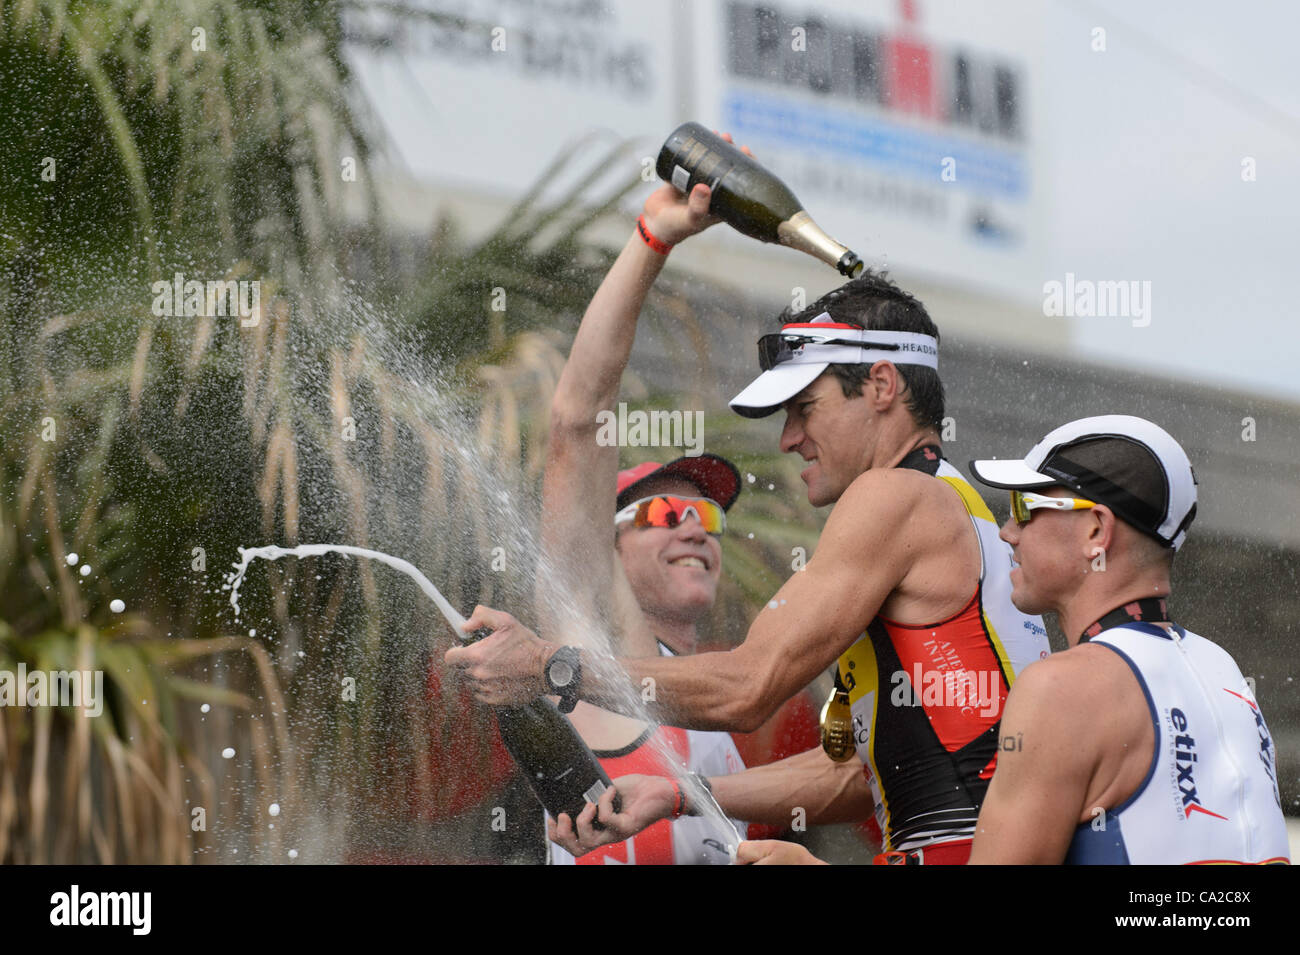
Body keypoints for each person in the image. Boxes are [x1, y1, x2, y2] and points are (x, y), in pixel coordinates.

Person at [449, 263, 1051, 864]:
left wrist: (544, 665)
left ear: (882, 386)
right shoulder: (963, 504)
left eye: (805, 408)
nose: (788, 439)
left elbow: (746, 688)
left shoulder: (892, 495)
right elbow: (857, 777)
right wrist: (685, 794)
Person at [531, 147, 811, 864]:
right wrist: (652, 240)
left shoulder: (715, 716)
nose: (693, 524)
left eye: (706, 516)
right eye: (662, 515)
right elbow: (577, 422)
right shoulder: (597, 653)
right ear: (610, 549)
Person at [962, 415, 1290, 864]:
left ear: (1096, 530)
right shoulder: (1222, 668)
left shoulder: (1061, 688)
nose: (1008, 531)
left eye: (1024, 507)